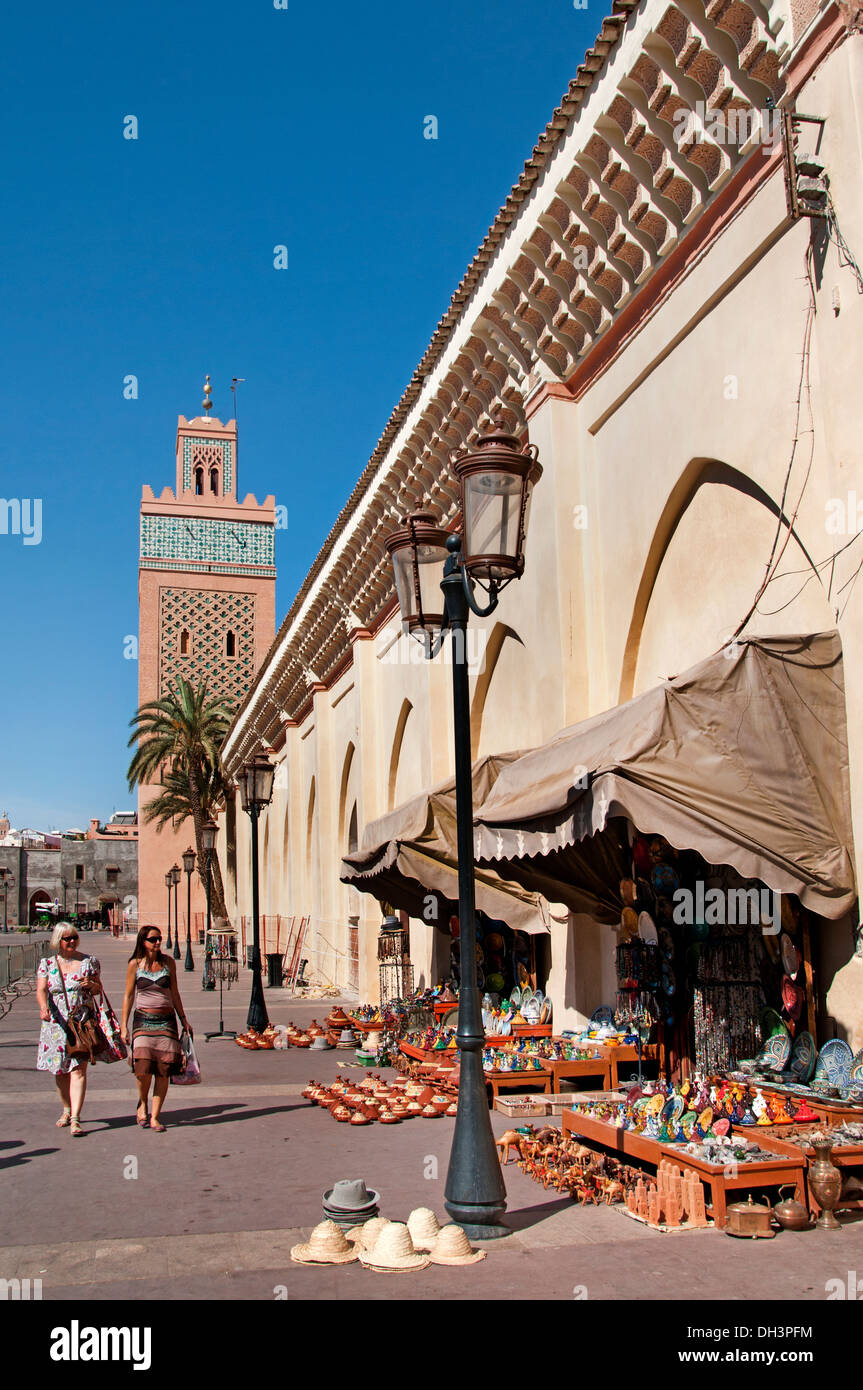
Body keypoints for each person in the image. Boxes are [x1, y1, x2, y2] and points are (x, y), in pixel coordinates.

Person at [120, 926, 193, 1132]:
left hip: (166, 1020)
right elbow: (128, 996)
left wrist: (184, 1019)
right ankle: (142, 1102)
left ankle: (155, 1116)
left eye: (159, 938)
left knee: (163, 1069)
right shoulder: (135, 964)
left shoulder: (168, 963)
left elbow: (175, 992)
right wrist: (123, 1026)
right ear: (143, 941)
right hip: (143, 1020)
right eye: (153, 939)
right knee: (143, 1067)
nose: (158, 942)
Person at [35, 924, 103, 1137]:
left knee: (79, 1070)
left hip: (81, 1023)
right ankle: (66, 1108)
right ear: (58, 941)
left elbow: (98, 989)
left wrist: (90, 984)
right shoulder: (46, 964)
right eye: (66, 938)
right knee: (60, 1071)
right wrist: (43, 1007)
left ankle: (75, 1118)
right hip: (55, 1025)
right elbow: (41, 990)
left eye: (74, 937)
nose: (71, 941)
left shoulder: (88, 962)